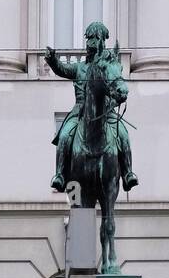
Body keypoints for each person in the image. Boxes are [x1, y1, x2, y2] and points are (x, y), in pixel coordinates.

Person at [44, 21, 138, 193]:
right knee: (64, 136)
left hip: (106, 112)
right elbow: (61, 69)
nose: (90, 43)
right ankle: (60, 174)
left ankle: (127, 172)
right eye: (88, 38)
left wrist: (117, 98)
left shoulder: (107, 65)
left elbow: (116, 85)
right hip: (79, 112)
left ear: (102, 41)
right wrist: (51, 59)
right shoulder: (80, 68)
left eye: (94, 38)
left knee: (123, 134)